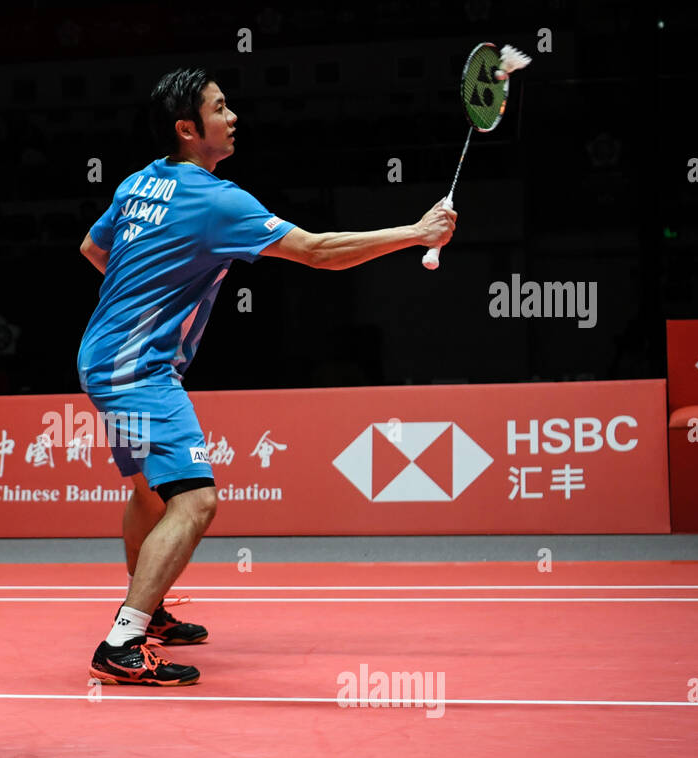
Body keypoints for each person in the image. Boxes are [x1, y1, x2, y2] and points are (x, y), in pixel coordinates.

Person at [78, 68, 457, 686]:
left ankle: (150, 614)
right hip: (137, 367)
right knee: (197, 500)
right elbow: (318, 251)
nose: (233, 117)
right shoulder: (218, 200)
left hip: (102, 354)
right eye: (220, 108)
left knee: (150, 490)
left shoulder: (136, 184)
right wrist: (415, 233)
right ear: (187, 129)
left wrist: (144, 294)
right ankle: (123, 640)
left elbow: (95, 252)